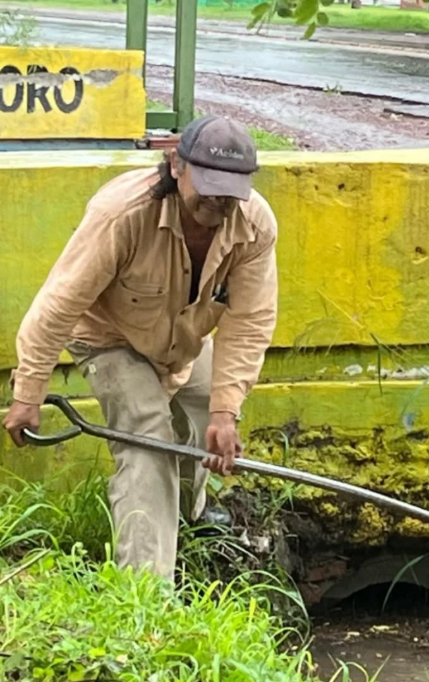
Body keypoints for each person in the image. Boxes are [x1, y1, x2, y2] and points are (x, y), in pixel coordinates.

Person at [3, 115, 279, 582]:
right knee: (148, 438)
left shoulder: (254, 225)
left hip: (183, 339)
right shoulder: (122, 213)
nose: (217, 201)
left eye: (230, 192)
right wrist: (28, 393)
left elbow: (249, 322)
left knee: (205, 418)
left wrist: (225, 411)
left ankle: (189, 520)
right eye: (209, 187)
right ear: (176, 166)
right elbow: (58, 303)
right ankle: (146, 594)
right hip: (109, 336)